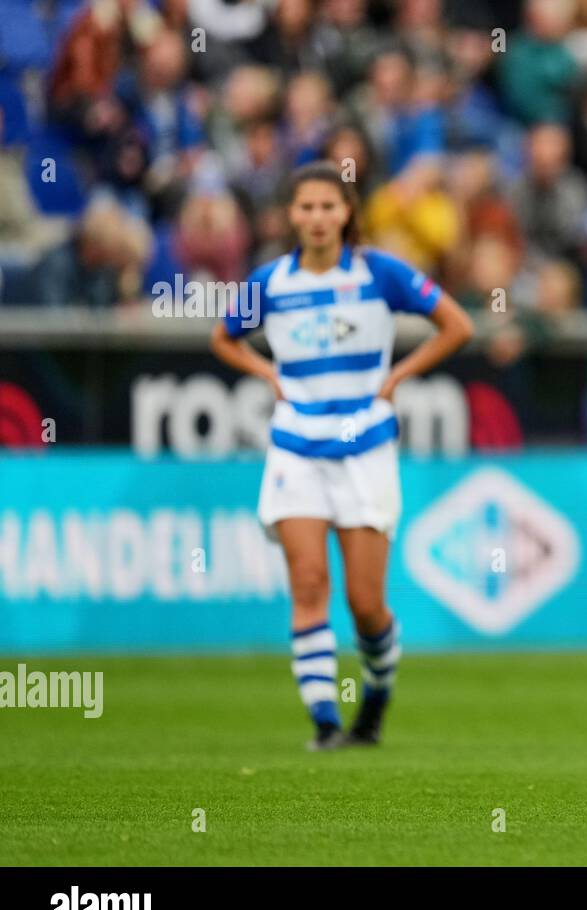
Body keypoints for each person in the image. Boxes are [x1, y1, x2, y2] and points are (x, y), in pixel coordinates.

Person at [210, 161, 474, 750]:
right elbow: (223, 337)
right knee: (308, 582)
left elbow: (456, 325)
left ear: (347, 211)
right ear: (290, 215)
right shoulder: (271, 282)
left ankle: (376, 695)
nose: (317, 218)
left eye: (328, 206)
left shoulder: (379, 273)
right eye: (305, 207)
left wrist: (398, 375)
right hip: (296, 445)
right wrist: (265, 372)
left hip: (364, 447)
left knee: (366, 604)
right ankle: (326, 723)